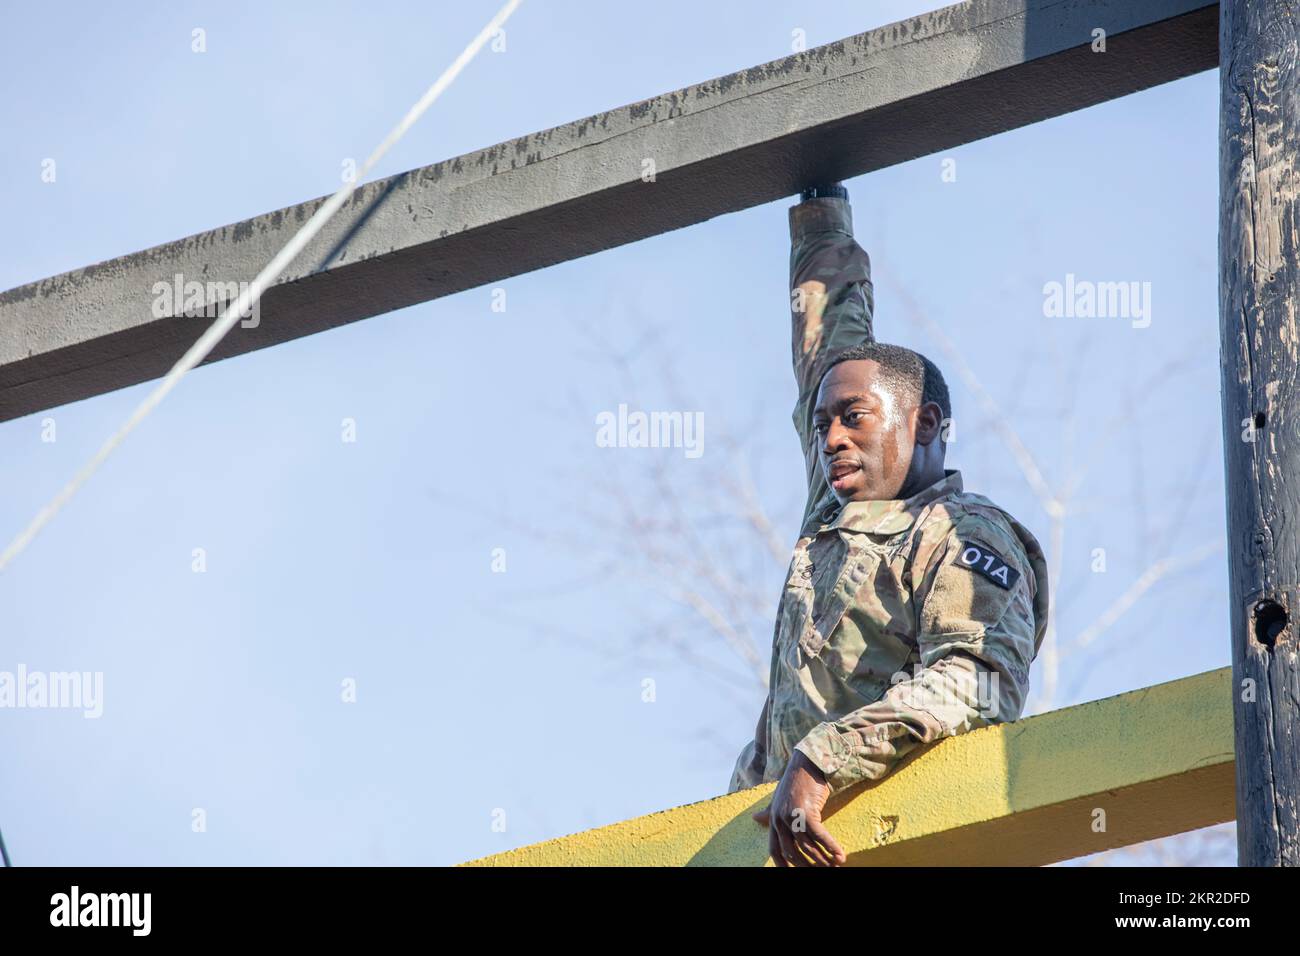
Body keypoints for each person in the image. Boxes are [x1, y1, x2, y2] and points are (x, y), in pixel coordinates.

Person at [732, 183, 1050, 867]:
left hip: (886, 833)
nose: (832, 440)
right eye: (823, 426)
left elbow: (978, 680)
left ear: (924, 424)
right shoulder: (837, 511)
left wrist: (822, 760)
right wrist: (820, 217)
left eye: (854, 419)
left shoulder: (959, 532)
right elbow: (828, 351)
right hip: (782, 838)